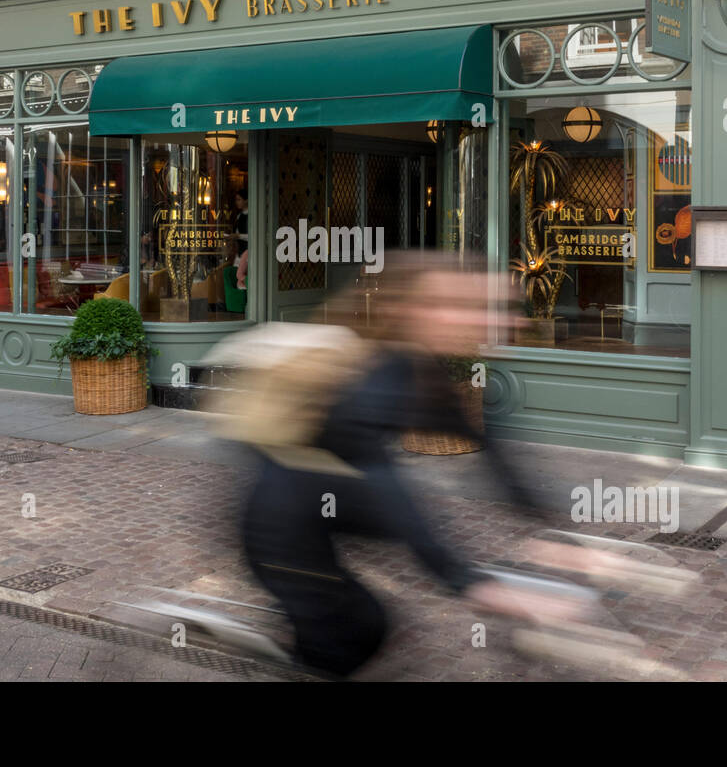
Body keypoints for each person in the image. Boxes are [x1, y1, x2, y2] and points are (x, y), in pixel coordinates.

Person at [207, 253, 588, 678]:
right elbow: (395, 499)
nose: (491, 321)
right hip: (277, 531)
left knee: (364, 627)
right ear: (410, 311)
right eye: (463, 307)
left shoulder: (420, 373)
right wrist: (473, 584)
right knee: (347, 639)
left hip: (316, 522)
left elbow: (492, 453)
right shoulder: (375, 380)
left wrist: (555, 534)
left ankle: (292, 637)